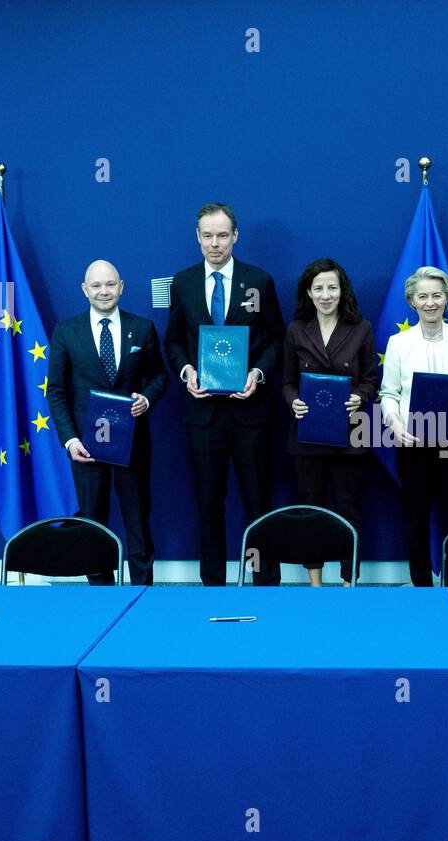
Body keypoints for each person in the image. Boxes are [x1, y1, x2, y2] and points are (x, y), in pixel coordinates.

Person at [164, 203, 286, 586]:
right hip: (202, 413)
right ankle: (212, 582)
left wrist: (258, 373)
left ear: (235, 236)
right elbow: (173, 341)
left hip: (249, 410)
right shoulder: (182, 283)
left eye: (222, 235)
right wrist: (186, 371)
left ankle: (264, 578)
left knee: (257, 500)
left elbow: (277, 339)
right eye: (207, 235)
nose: (214, 243)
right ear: (197, 237)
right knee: (208, 502)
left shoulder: (259, 280)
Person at [47, 259, 168, 585]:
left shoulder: (142, 328)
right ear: (85, 290)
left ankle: (142, 590)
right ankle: (101, 592)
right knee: (92, 521)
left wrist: (147, 397)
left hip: (132, 442)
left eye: (110, 284)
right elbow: (56, 392)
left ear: (122, 286)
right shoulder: (66, 331)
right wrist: (71, 440)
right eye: (97, 285)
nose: (104, 291)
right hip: (86, 446)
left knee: (137, 519)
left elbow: (158, 376)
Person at [379, 266, 448, 587]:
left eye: (437, 295)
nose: (430, 302)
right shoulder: (398, 343)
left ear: (447, 299)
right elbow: (388, 394)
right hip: (413, 443)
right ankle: (421, 587)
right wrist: (393, 422)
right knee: (416, 520)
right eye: (422, 296)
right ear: (412, 301)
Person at [281, 259, 378, 586]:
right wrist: (292, 400)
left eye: (332, 288)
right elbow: (286, 382)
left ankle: (349, 581)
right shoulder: (295, 329)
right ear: (309, 292)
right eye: (319, 288)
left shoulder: (361, 328)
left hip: (350, 435)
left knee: (349, 511)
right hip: (307, 434)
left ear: (342, 291)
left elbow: (370, 380)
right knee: (310, 509)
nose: (326, 295)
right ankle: (315, 582)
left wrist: (359, 397)